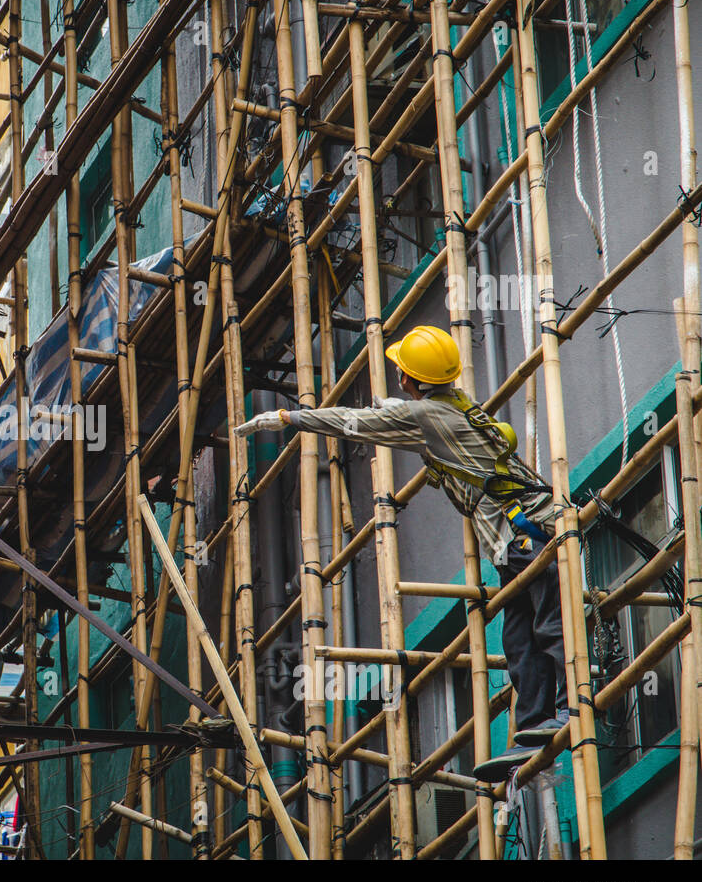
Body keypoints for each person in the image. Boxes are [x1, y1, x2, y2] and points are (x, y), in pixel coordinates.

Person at [235, 324, 569, 781]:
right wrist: (405, 410)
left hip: (528, 534)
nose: (398, 378)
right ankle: (535, 725)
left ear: (411, 379)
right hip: (516, 541)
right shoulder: (454, 406)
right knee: (520, 638)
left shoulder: (427, 417)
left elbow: (352, 423)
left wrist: (290, 419)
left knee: (551, 625)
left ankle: (572, 704)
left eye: (401, 373)